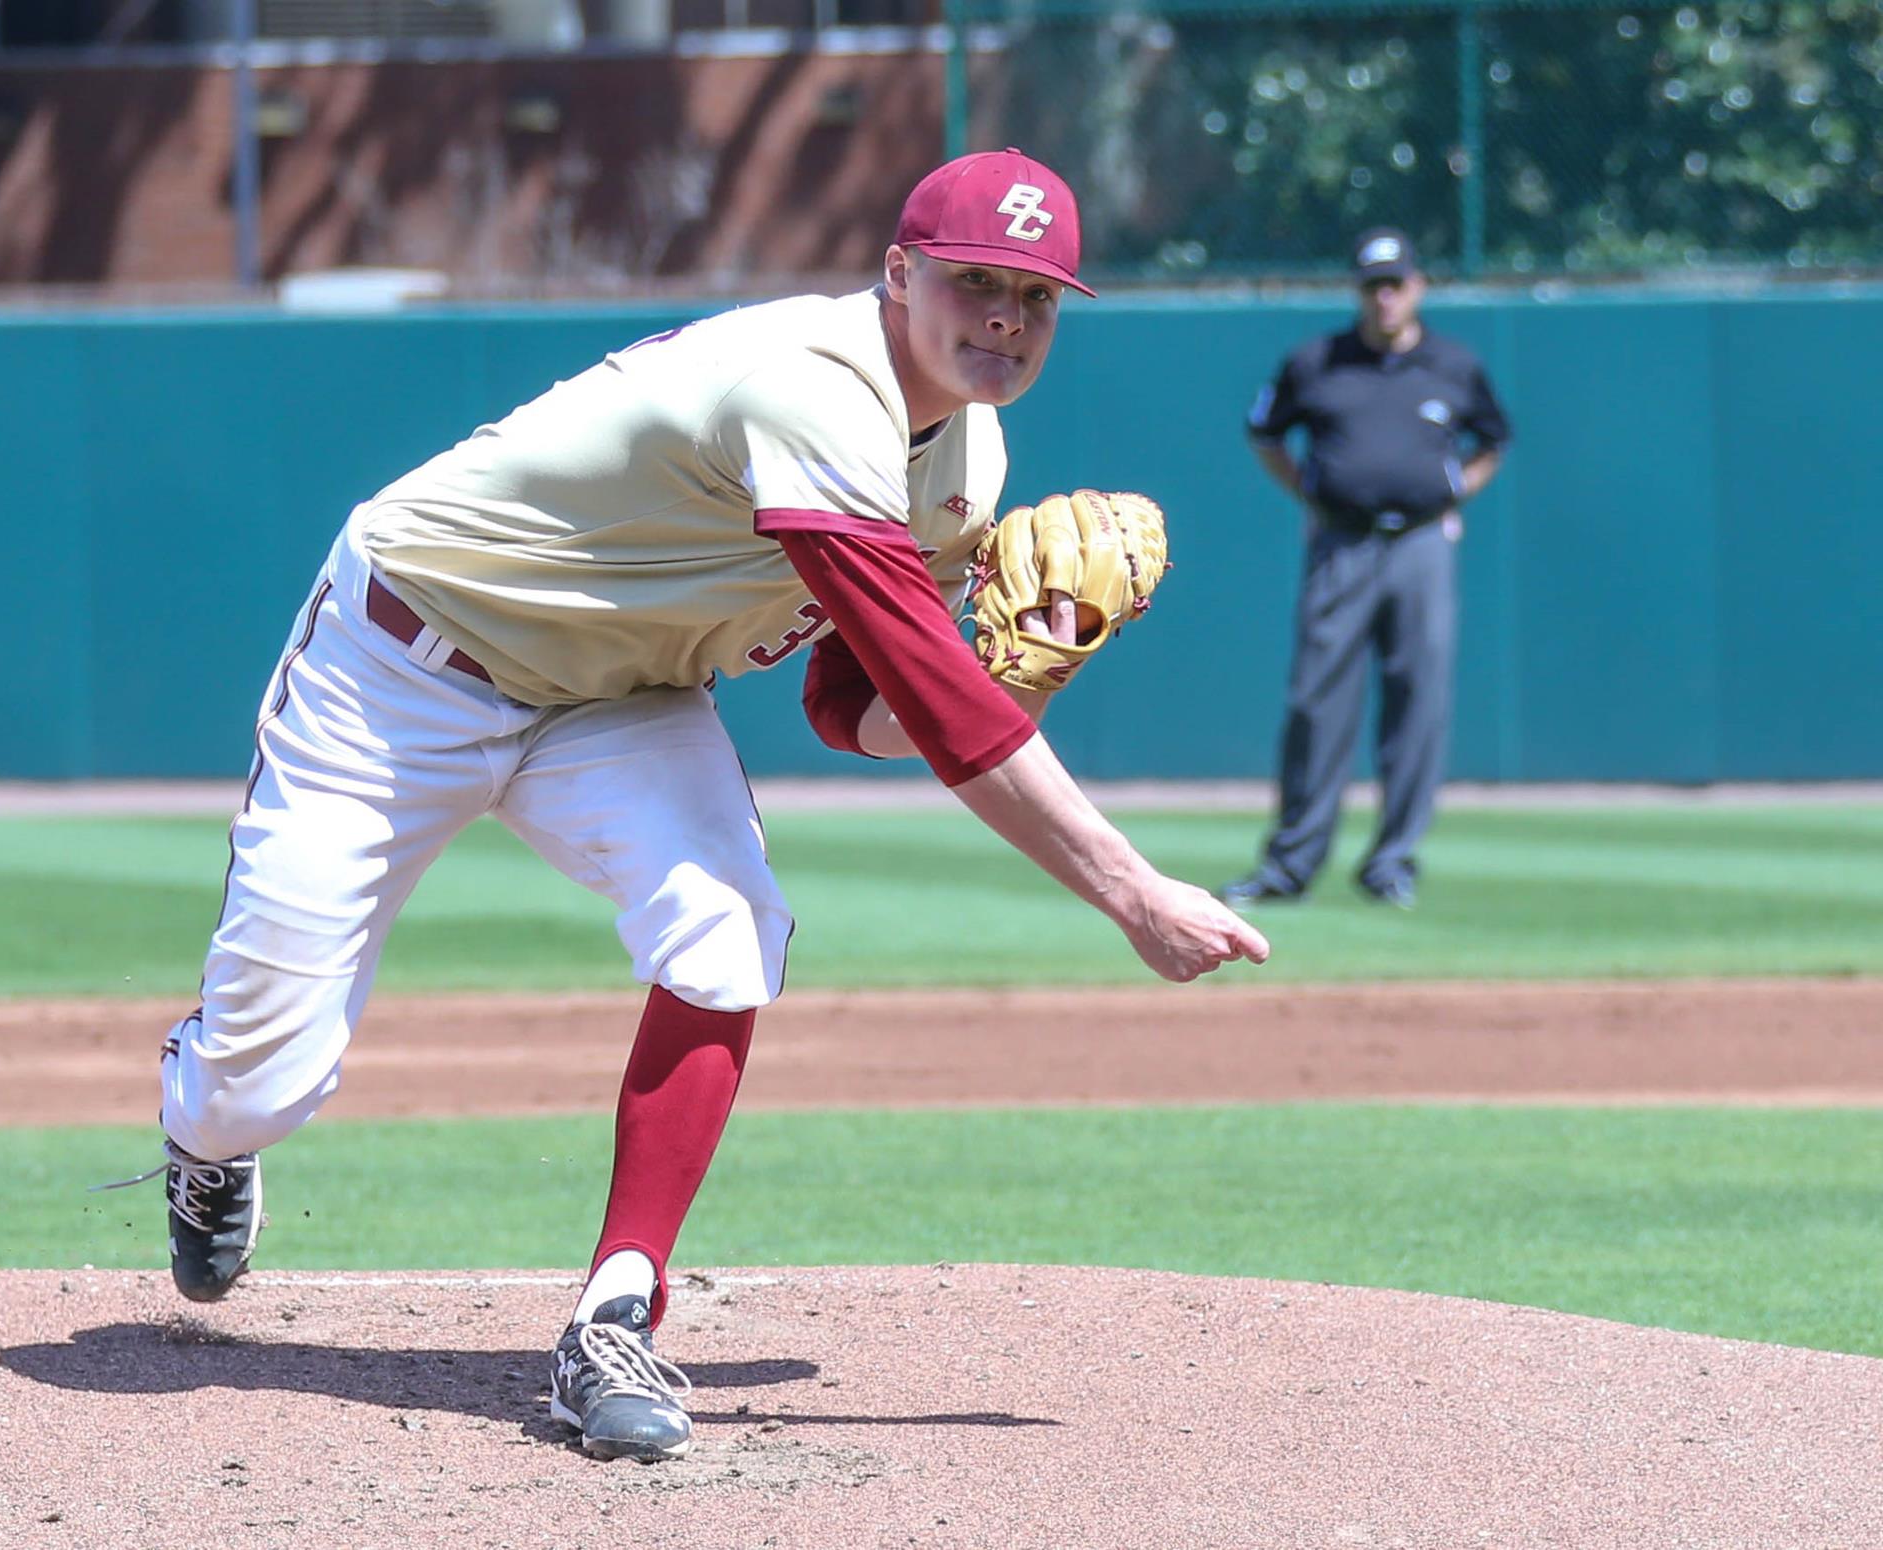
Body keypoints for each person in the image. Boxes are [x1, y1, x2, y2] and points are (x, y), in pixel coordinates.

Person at [105, 147, 1271, 1464]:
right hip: (406, 665)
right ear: (899, 273)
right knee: (264, 1078)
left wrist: (1023, 668)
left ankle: (616, 1314)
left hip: (621, 698)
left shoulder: (967, 461)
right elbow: (941, 719)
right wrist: (1132, 890)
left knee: (725, 926)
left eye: (1038, 296)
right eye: (977, 282)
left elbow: (853, 709)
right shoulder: (814, 384)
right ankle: (208, 1136)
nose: (1006, 317)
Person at [1221, 227, 1511, 912]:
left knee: (1419, 703)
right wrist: (1309, 493)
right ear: (1358, 291)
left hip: (1419, 544)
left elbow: (1494, 439)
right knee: (1316, 704)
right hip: (1342, 544)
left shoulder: (1454, 366)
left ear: (1418, 287)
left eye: (1395, 283)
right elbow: (1265, 433)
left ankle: (1392, 862)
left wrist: (1454, 492)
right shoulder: (1317, 362)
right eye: (1372, 285)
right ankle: (1291, 864)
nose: (1384, 297)